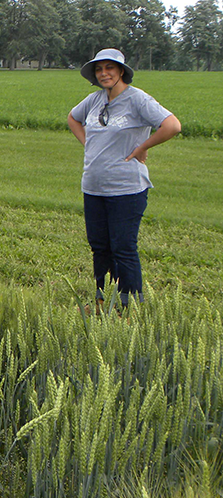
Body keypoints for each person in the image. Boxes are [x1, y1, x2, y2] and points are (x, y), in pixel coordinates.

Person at [66, 48, 181, 311]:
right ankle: (102, 301)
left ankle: (129, 309)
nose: (104, 73)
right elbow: (73, 118)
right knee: (100, 247)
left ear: (120, 71)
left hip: (126, 189)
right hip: (93, 187)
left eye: (109, 68)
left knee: (123, 248)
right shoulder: (94, 100)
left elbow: (172, 125)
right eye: (99, 69)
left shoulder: (138, 99)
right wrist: (89, 145)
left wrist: (142, 147)